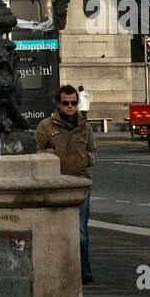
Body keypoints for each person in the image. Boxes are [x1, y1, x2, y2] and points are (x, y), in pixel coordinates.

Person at [35, 84, 97, 284]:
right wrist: (51, 155)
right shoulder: (46, 126)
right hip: (56, 185)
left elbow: (94, 152)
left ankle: (83, 271)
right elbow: (36, 152)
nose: (70, 107)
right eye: (66, 103)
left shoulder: (85, 127)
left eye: (73, 103)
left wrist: (86, 159)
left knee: (80, 232)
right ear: (58, 104)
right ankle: (55, 270)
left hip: (80, 184)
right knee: (55, 232)